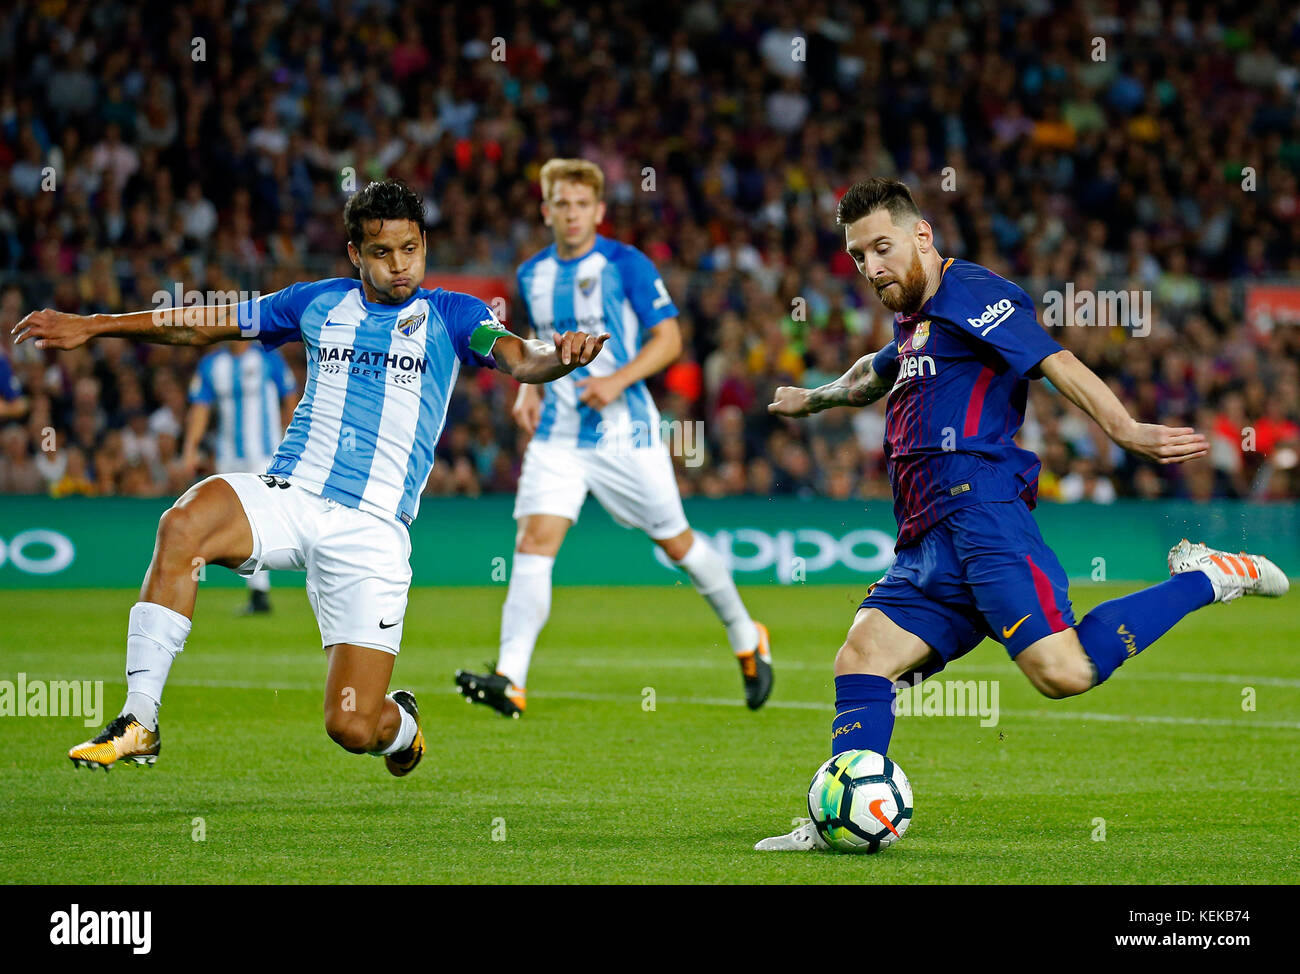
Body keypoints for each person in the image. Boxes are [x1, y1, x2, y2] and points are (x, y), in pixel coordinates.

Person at [756, 178, 1288, 851]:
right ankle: (838, 811)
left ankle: (1209, 576)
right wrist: (818, 398)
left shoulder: (975, 291)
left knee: (1063, 674)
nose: (872, 267)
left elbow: (1053, 360)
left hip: (983, 517)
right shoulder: (917, 321)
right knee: (860, 658)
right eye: (859, 256)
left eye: (882, 248)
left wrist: (1123, 428)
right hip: (925, 539)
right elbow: (878, 369)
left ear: (922, 234)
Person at [13, 179, 608, 776]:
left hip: (372, 530)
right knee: (184, 522)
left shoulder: (454, 314)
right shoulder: (315, 302)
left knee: (351, 726)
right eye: (382, 252)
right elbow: (201, 325)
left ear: (423, 242)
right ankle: (139, 718)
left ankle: (401, 731)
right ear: (355, 253)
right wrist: (95, 324)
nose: (399, 265)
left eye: (410, 249)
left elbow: (518, 356)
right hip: (291, 493)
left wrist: (561, 358)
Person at [454, 159, 771, 718]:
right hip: (559, 434)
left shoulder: (626, 263)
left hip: (626, 433)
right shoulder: (531, 273)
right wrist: (528, 389)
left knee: (677, 544)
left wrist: (617, 379)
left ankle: (747, 635)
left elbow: (669, 339)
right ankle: (511, 677)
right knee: (534, 543)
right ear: (546, 209)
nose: (571, 214)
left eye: (582, 205)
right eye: (561, 204)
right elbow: (534, 343)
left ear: (598, 211)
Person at [182, 341, 297, 613]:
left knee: (262, 519)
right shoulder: (211, 365)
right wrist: (190, 448)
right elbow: (200, 408)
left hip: (266, 453)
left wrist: (291, 440)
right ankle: (257, 591)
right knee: (238, 521)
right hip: (228, 457)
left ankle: (260, 591)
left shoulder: (269, 358)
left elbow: (290, 397)